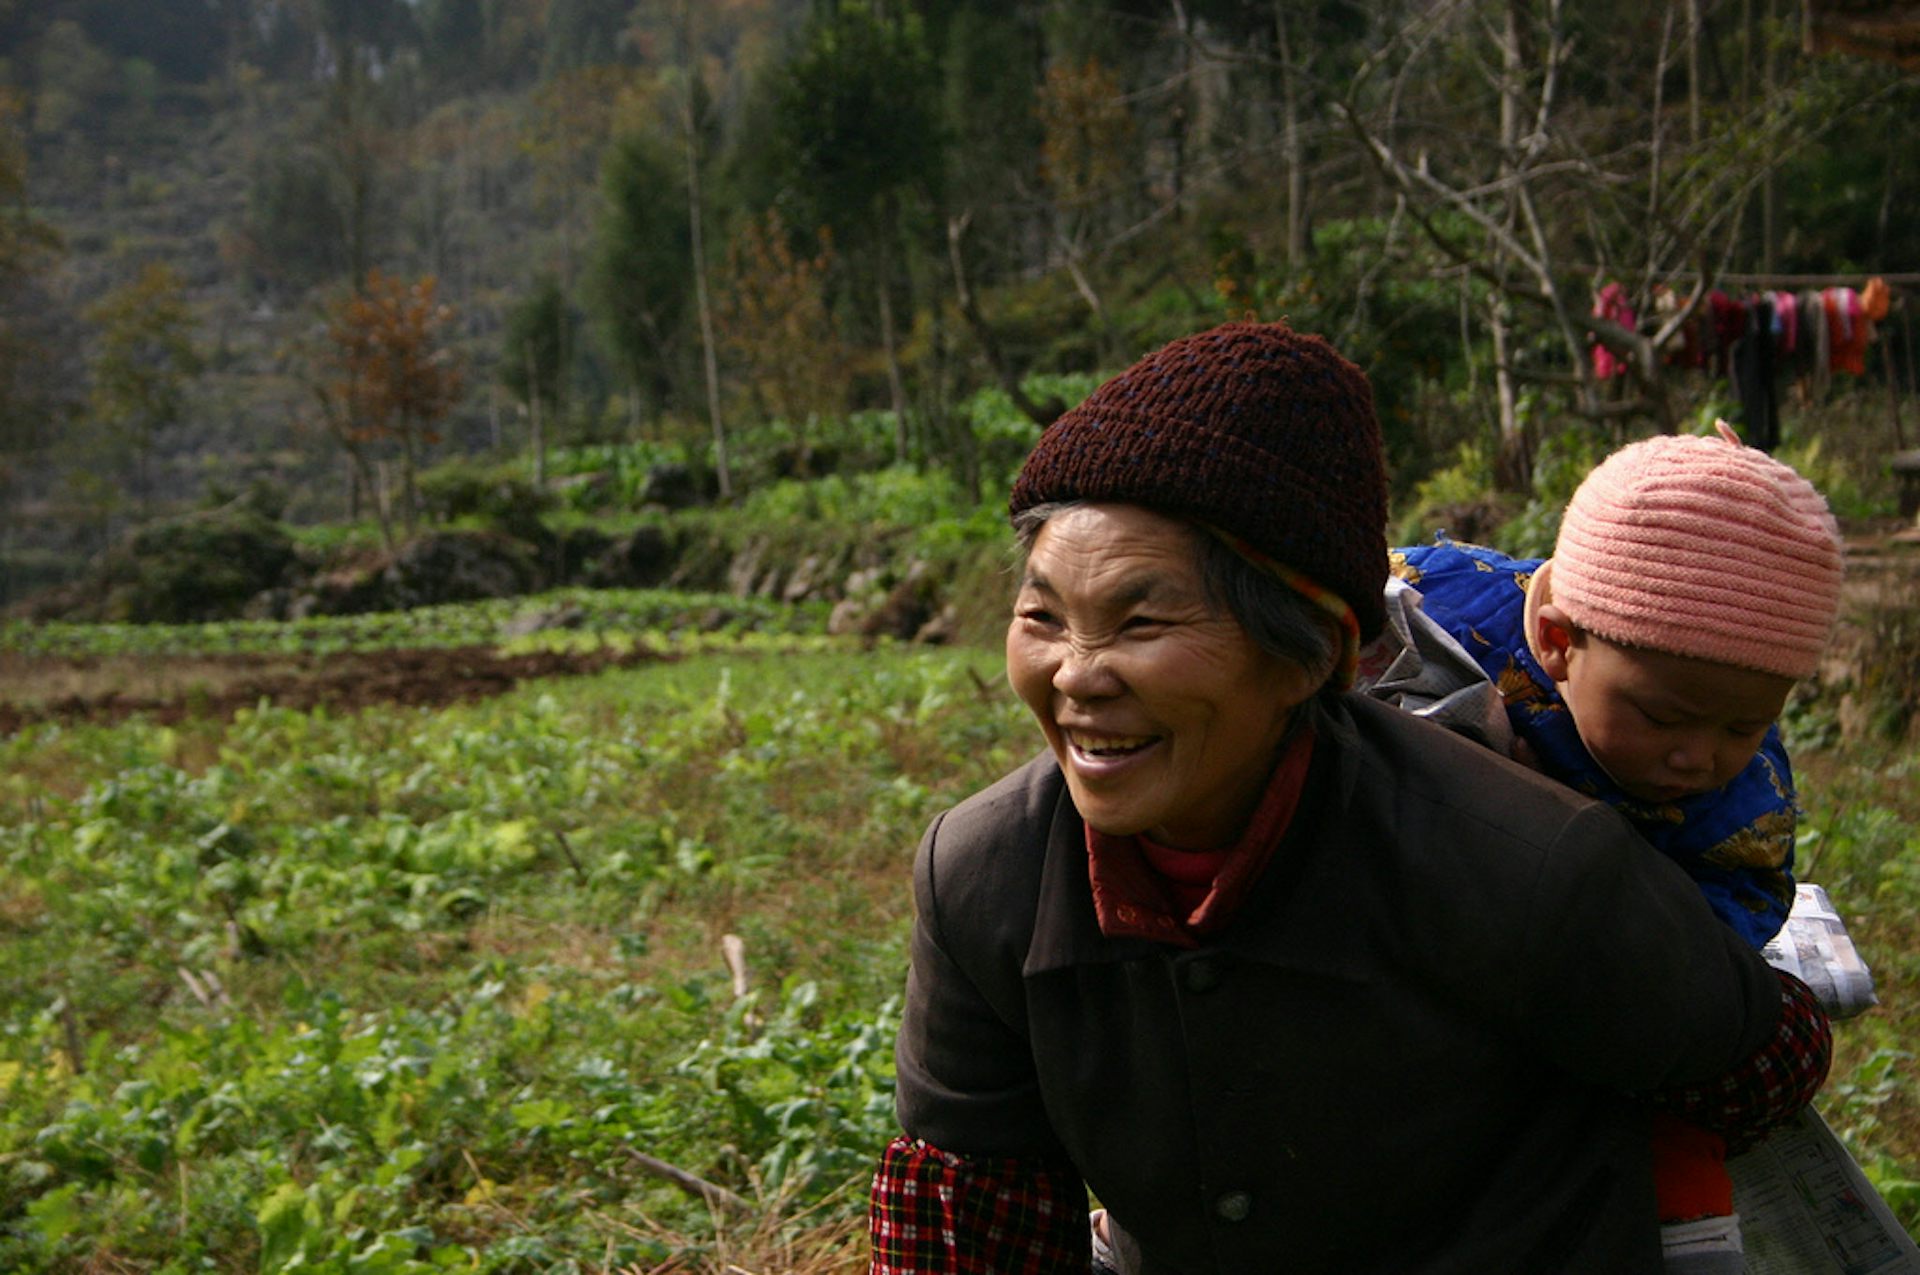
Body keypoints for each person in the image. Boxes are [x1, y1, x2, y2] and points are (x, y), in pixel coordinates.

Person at [867, 321, 1831, 1275]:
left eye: (1141, 620)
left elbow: (1758, 1057)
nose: (1076, 675)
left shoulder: (1529, 864)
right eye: (1043, 615)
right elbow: (972, 1223)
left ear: (1316, 655)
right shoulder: (982, 878)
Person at [1375, 424, 1847, 1270]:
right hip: (1408, 920)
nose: (1697, 756)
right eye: (1663, 716)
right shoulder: (1438, 603)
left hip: (1586, 967)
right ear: (1557, 639)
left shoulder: (1740, 802)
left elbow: (1704, 952)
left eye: (1744, 723)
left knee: (1667, 1138)